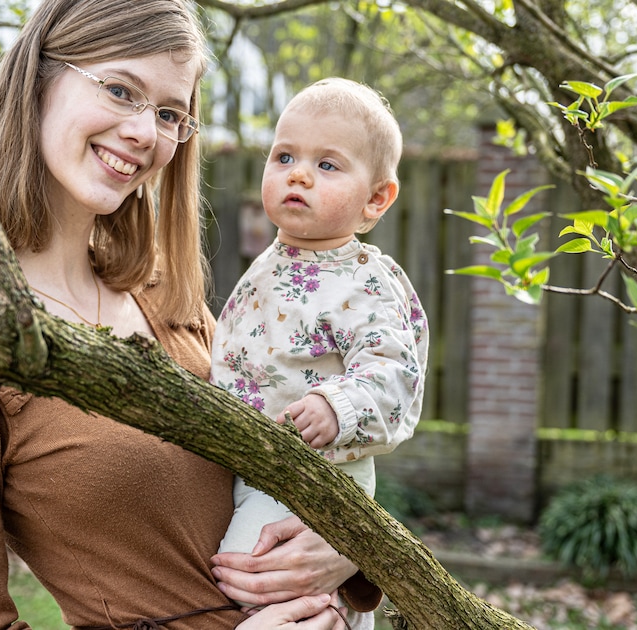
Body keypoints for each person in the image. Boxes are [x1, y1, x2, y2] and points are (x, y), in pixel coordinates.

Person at [0, 2, 360, 628]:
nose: (144, 132)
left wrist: (344, 549)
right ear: (39, 79)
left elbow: (284, 465)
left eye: (168, 113)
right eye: (121, 89)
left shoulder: (165, 298)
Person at [210, 77, 430, 629]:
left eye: (327, 165)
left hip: (320, 474)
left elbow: (394, 376)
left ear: (376, 198)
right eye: (284, 156)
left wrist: (338, 406)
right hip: (260, 467)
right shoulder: (271, 265)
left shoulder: (364, 281)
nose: (298, 173)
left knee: (255, 575)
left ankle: (328, 612)